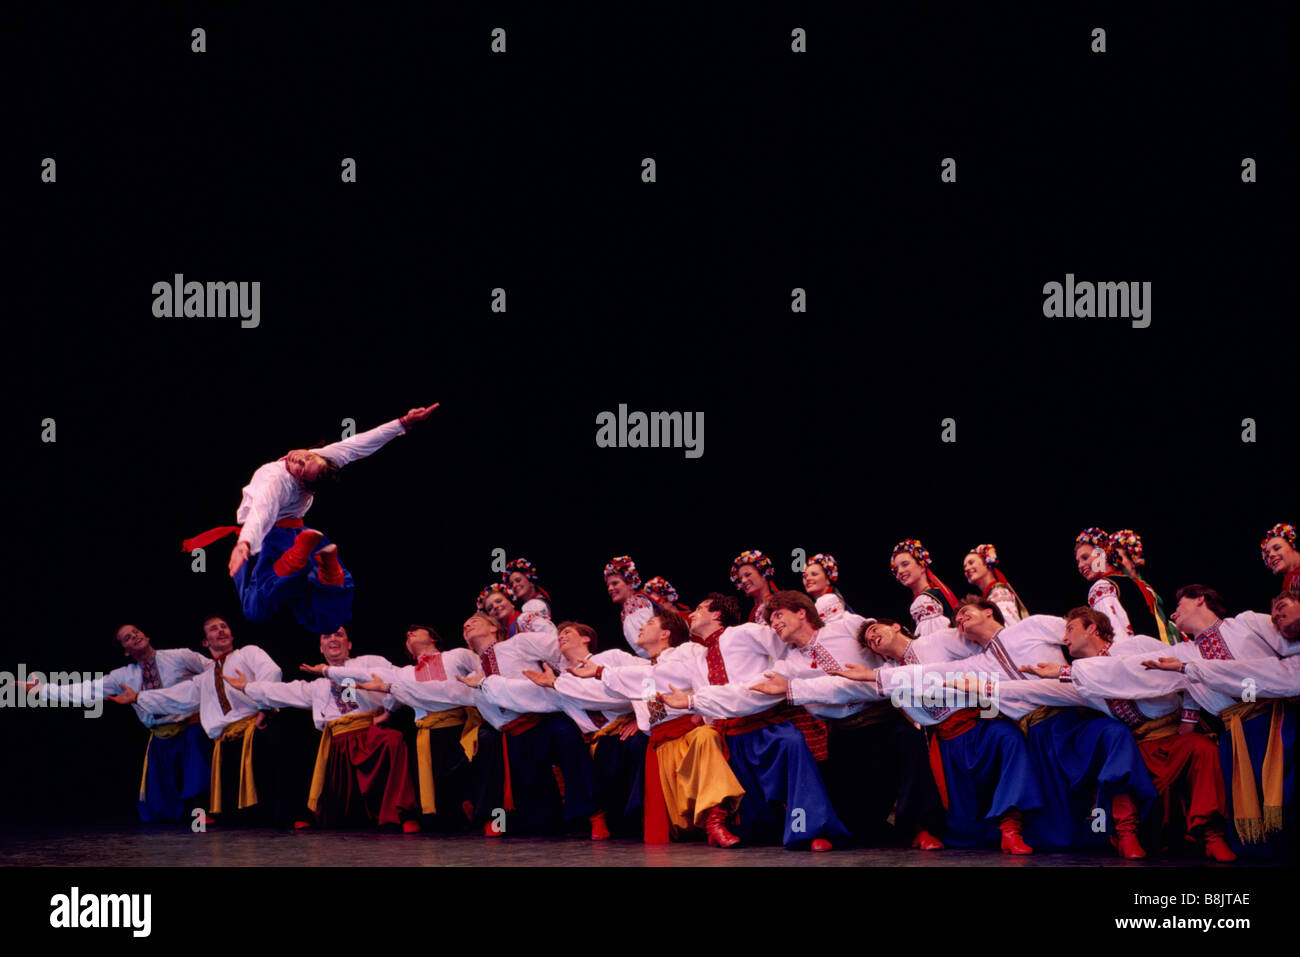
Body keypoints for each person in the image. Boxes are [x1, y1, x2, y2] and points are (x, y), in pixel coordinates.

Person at [607, 592, 849, 849]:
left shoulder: (742, 633)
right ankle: (761, 829)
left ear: (717, 615)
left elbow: (784, 646)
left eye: (700, 607)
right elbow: (658, 677)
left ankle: (812, 831)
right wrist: (603, 674)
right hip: (730, 734)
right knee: (746, 807)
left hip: (761, 723)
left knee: (791, 745)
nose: (692, 613)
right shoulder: (697, 656)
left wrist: (783, 677)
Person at [182, 404, 440, 635]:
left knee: (255, 610)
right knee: (326, 623)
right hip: (303, 537)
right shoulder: (325, 460)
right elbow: (359, 444)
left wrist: (245, 544)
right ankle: (328, 570)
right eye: (305, 457)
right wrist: (404, 422)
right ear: (318, 453)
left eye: (301, 468)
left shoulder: (274, 478)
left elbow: (262, 509)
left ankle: (295, 561)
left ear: (305, 484)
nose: (298, 460)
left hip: (269, 539)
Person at [1077, 585, 1296, 855]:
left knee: (1286, 789)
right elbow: (1142, 669)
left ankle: (1226, 838)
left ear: (1200, 599)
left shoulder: (1246, 623)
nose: (1173, 612)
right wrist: (1066, 672)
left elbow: (1290, 643)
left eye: (1179, 606)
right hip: (1233, 730)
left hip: (1275, 720)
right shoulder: (1186, 652)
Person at [1012, 607, 1237, 861]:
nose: (1065, 638)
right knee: (1119, 762)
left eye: (1071, 628)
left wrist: (1188, 719)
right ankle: (1127, 834)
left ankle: (1212, 837)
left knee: (1203, 750)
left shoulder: (1137, 646)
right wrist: (981, 687)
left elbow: (1184, 669)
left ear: (1092, 628)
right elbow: (1036, 690)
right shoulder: (1081, 679)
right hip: (1139, 743)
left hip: (1171, 735)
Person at [747, 591, 946, 849]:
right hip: (845, 734)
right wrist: (695, 700)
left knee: (911, 745)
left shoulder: (847, 626)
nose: (774, 624)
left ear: (801, 612)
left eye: (778, 615)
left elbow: (884, 639)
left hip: (884, 718)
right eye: (770, 620)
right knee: (855, 826)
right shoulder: (789, 665)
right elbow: (753, 688)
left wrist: (892, 669)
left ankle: (923, 828)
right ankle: (877, 829)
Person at [572, 607, 746, 847]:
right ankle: (703, 822)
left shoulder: (686, 651)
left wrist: (603, 671)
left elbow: (670, 676)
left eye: (650, 623)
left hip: (690, 734)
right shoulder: (642, 669)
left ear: (665, 634)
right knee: (679, 828)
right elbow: (629, 690)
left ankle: (717, 821)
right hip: (661, 745)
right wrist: (557, 683)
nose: (642, 627)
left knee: (705, 738)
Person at [226, 626, 420, 831]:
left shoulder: (369, 663)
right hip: (337, 743)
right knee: (301, 751)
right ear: (321, 648)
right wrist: (247, 687)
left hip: (368, 735)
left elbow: (399, 680)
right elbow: (281, 691)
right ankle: (314, 813)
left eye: (339, 634)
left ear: (349, 644)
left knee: (392, 740)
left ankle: (402, 814)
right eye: (326, 636)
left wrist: (389, 710)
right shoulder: (319, 686)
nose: (333, 639)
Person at [116, 617, 304, 826]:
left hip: (256, 726)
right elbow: (175, 696)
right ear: (205, 642)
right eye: (214, 629)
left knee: (282, 746)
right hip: (226, 743)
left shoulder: (248, 653)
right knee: (206, 760)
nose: (221, 630)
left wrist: (264, 708)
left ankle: (293, 815)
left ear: (232, 635)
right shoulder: (204, 678)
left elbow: (272, 672)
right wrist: (138, 698)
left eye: (224, 626)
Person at [29, 624, 212, 822]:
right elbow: (86, 690)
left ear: (146, 635)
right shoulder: (122, 676)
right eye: (127, 638)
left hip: (191, 730)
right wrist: (43, 690)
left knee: (197, 783)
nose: (135, 636)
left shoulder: (180, 656)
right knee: (160, 813)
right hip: (160, 738)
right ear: (125, 651)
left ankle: (202, 817)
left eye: (136, 632)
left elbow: (214, 670)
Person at [447, 612, 605, 839]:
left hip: (545, 720)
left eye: (474, 621)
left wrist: (566, 679)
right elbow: (445, 694)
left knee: (566, 735)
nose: (467, 624)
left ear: (494, 628)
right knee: (488, 742)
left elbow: (559, 649)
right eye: (464, 626)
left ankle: (595, 815)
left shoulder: (518, 643)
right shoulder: (472, 675)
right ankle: (497, 818)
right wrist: (392, 687)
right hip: (513, 733)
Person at [320, 624, 481, 828]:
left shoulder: (457, 656)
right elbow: (388, 687)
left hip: (460, 726)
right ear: (321, 647)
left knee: (470, 772)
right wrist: (388, 711)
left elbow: (481, 669)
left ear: (433, 638)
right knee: (440, 793)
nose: (408, 633)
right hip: (426, 731)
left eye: (416, 630)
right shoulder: (407, 672)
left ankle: (491, 818)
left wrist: (327, 670)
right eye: (327, 636)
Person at [1073, 527, 1165, 643]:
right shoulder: (1135, 583)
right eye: (1078, 562)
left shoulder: (1102, 587)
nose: (1080, 565)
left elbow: (1114, 638)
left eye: (1085, 558)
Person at [890, 539, 959, 636]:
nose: (900, 571)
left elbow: (932, 643)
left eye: (905, 564)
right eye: (896, 569)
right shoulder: (936, 593)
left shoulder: (924, 601)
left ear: (922, 566)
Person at [604, 555, 656, 657]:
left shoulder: (635, 603)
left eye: (615, 583)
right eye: (608, 585)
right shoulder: (635, 603)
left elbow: (650, 642)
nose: (610, 588)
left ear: (630, 583)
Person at [962, 544, 1028, 623]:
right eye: (964, 567)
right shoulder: (992, 594)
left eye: (971, 563)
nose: (967, 569)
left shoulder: (999, 593)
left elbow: (1008, 626)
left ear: (987, 563)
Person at [477, 583, 555, 639]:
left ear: (511, 603)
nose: (495, 606)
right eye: (490, 608)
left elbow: (551, 634)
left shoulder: (525, 619)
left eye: (499, 601)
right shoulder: (499, 637)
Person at [730, 549, 778, 624]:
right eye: (740, 579)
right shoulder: (751, 614)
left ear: (763, 574)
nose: (743, 581)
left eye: (747, 575)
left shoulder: (780, 604)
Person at [1260, 523, 1300, 591]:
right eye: (1267, 555)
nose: (1271, 555)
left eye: (1277, 548)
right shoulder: (1289, 584)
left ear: (1293, 546)